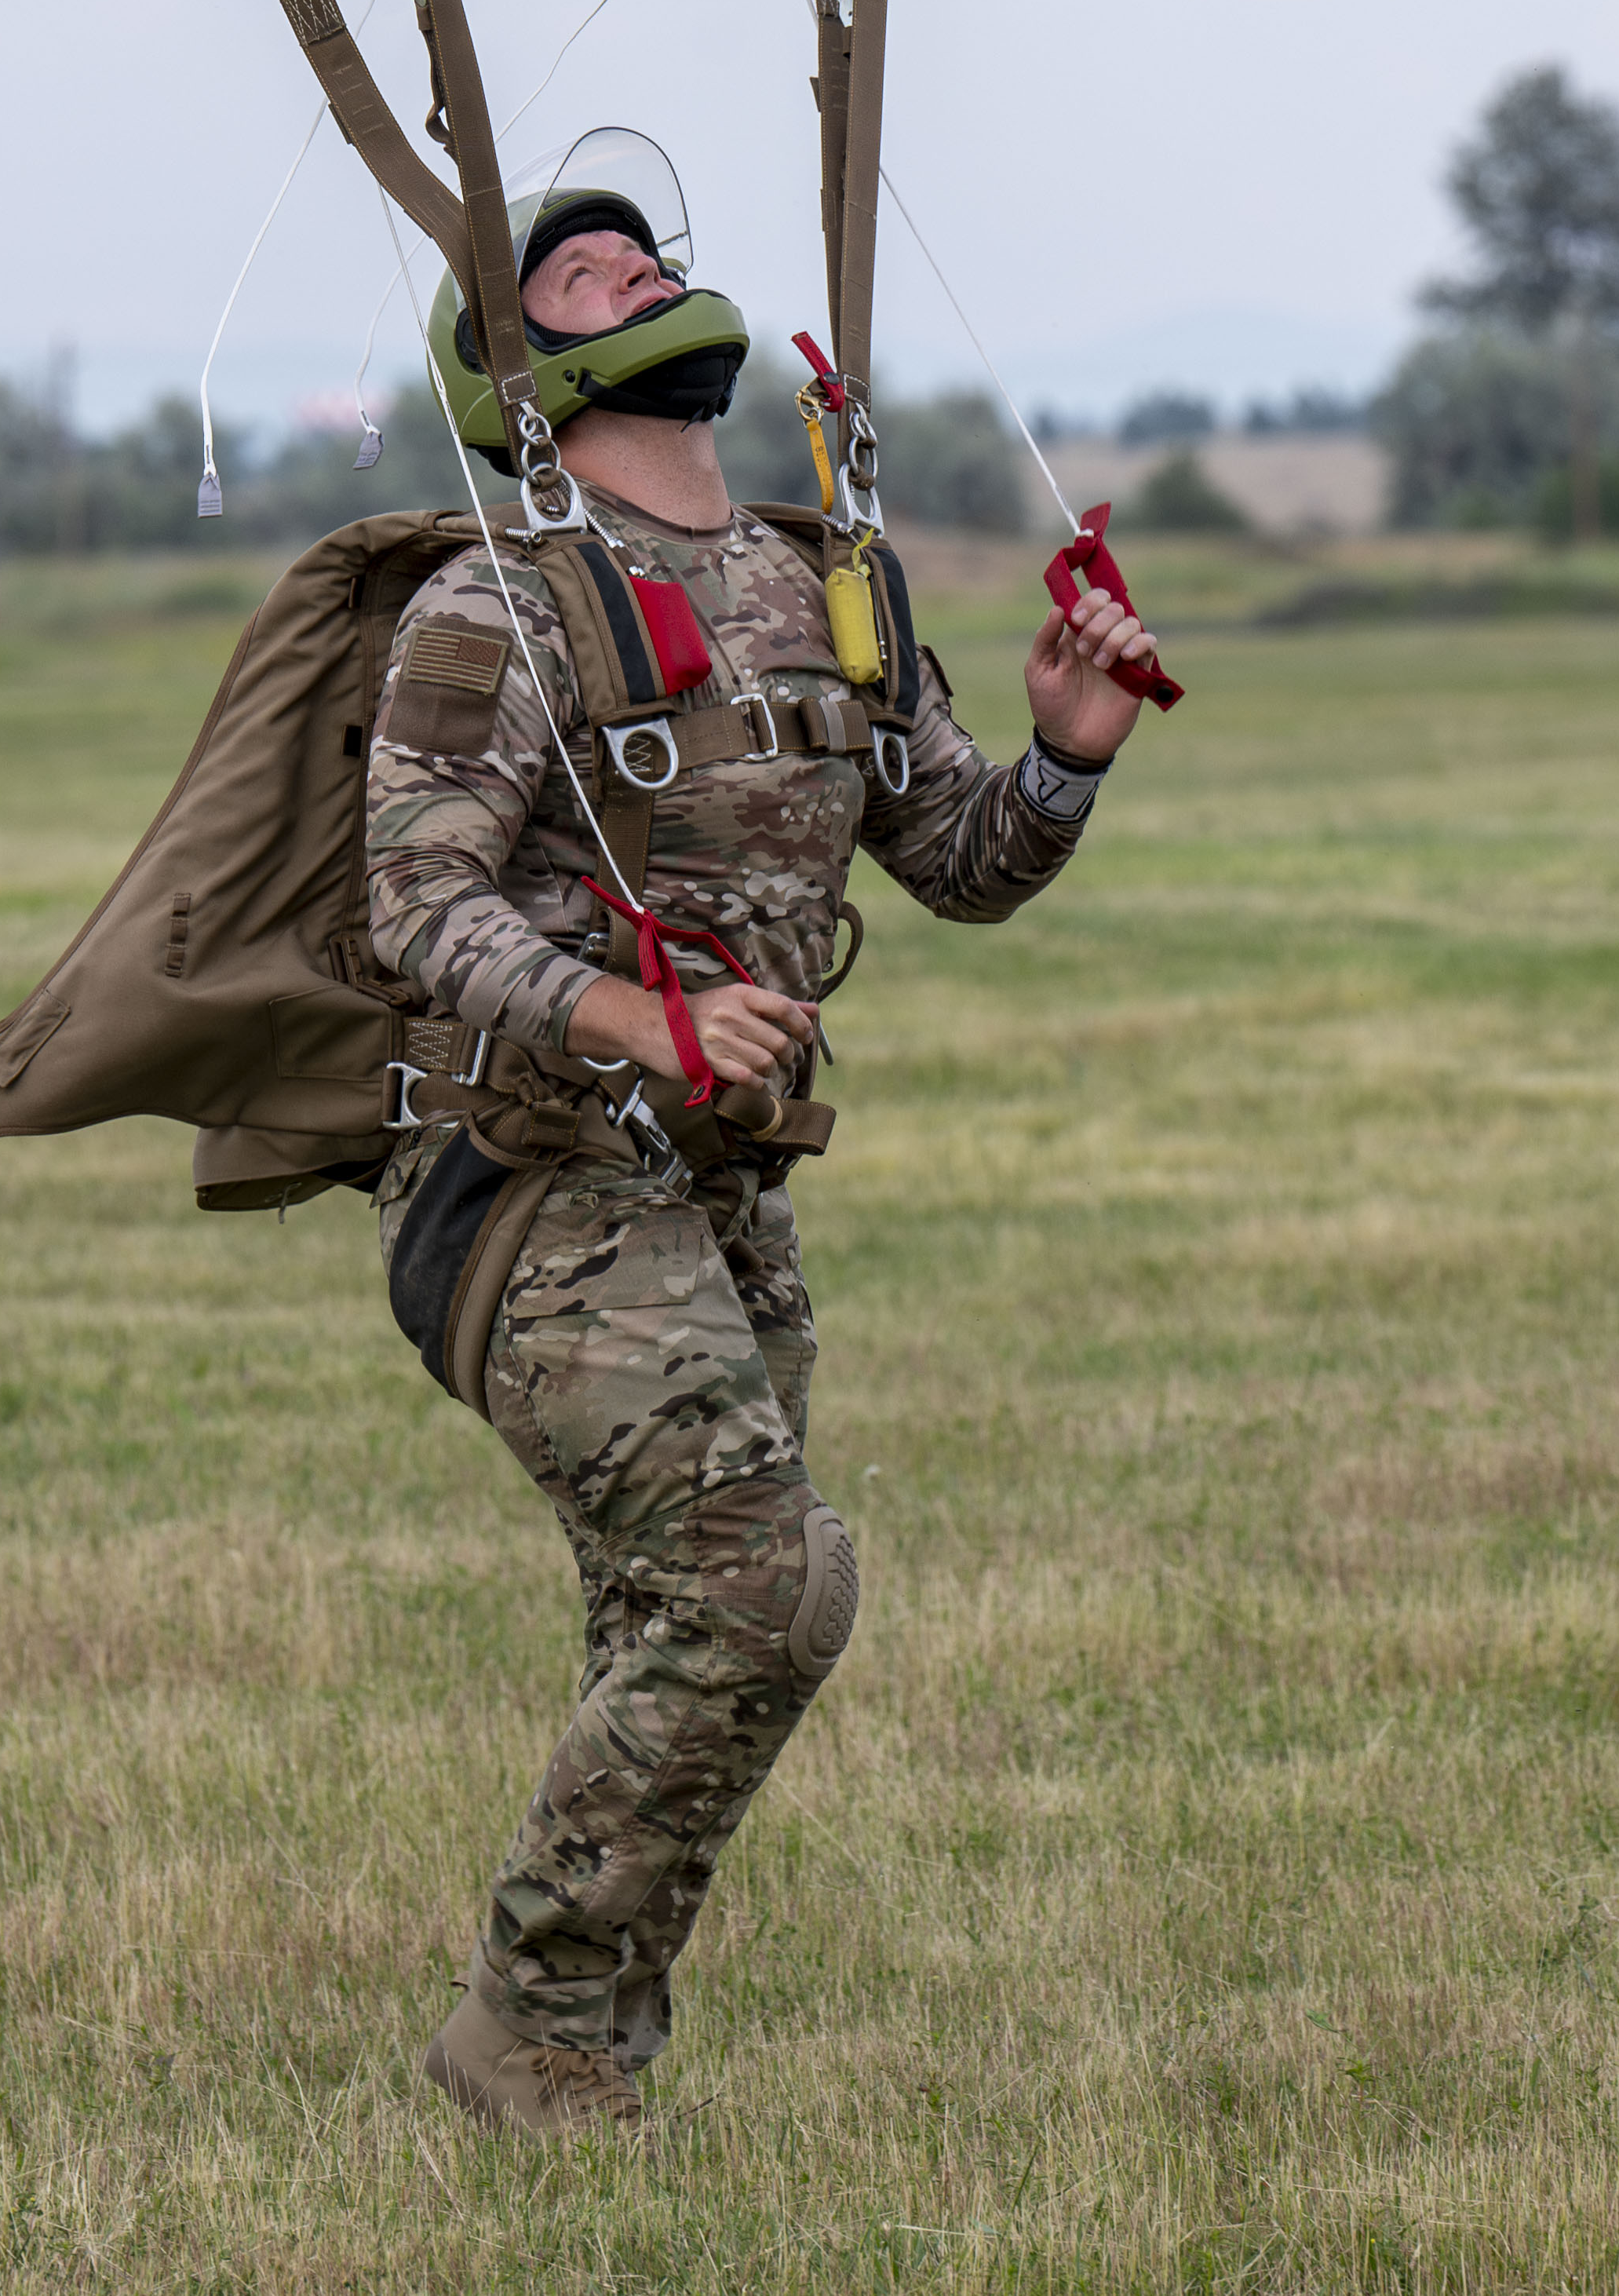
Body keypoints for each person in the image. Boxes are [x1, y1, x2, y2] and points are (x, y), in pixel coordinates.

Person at [366, 163, 1158, 2136]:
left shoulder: (828, 578)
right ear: (517, 360)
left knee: (701, 1619)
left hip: (721, 1192)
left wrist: (1060, 753)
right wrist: (633, 1012)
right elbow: (413, 906)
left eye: (637, 242)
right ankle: (527, 2028)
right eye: (573, 261)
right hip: (529, 1173)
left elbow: (956, 865)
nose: (629, 257)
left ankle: (572, 2061)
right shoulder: (501, 601)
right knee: (751, 1589)